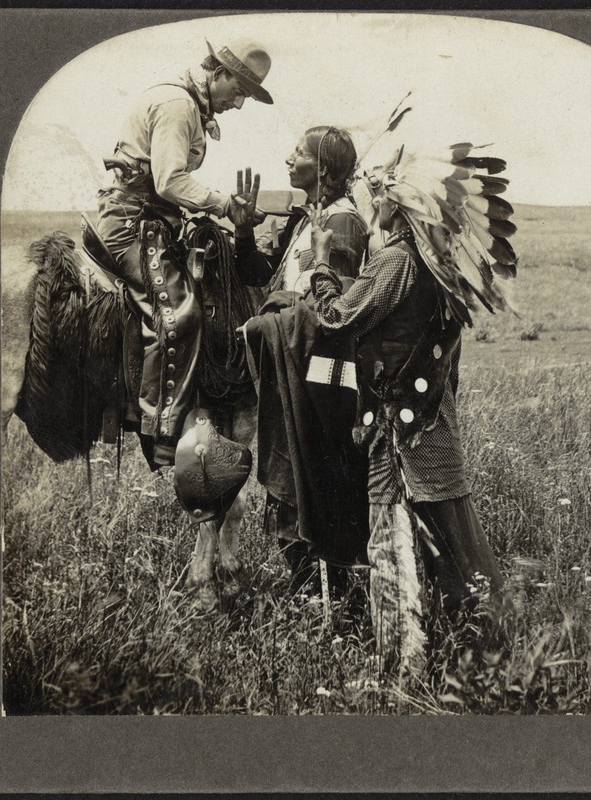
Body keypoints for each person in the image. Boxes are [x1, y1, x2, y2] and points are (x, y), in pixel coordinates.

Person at [304, 160, 510, 670]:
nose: (370, 201)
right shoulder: (436, 264)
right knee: (451, 531)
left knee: (392, 539)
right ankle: (483, 648)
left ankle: (404, 663)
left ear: (396, 205)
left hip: (398, 433)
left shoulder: (397, 261)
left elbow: (335, 317)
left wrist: (322, 263)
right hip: (430, 422)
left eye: (376, 194)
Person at [87, 38, 274, 465]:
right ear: (219, 72)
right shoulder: (178, 106)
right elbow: (170, 181)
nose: (240, 103)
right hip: (131, 225)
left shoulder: (187, 102)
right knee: (182, 311)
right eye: (240, 89)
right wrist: (225, 205)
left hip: (151, 222)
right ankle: (161, 428)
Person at [238, 127, 372, 598]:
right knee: (292, 474)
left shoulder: (345, 223)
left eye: (298, 152)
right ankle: (310, 589)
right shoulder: (308, 218)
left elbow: (339, 313)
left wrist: (264, 326)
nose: (288, 158)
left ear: (325, 168)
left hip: (318, 378)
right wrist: (241, 229)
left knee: (312, 474)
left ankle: (332, 594)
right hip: (291, 359)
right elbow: (257, 274)